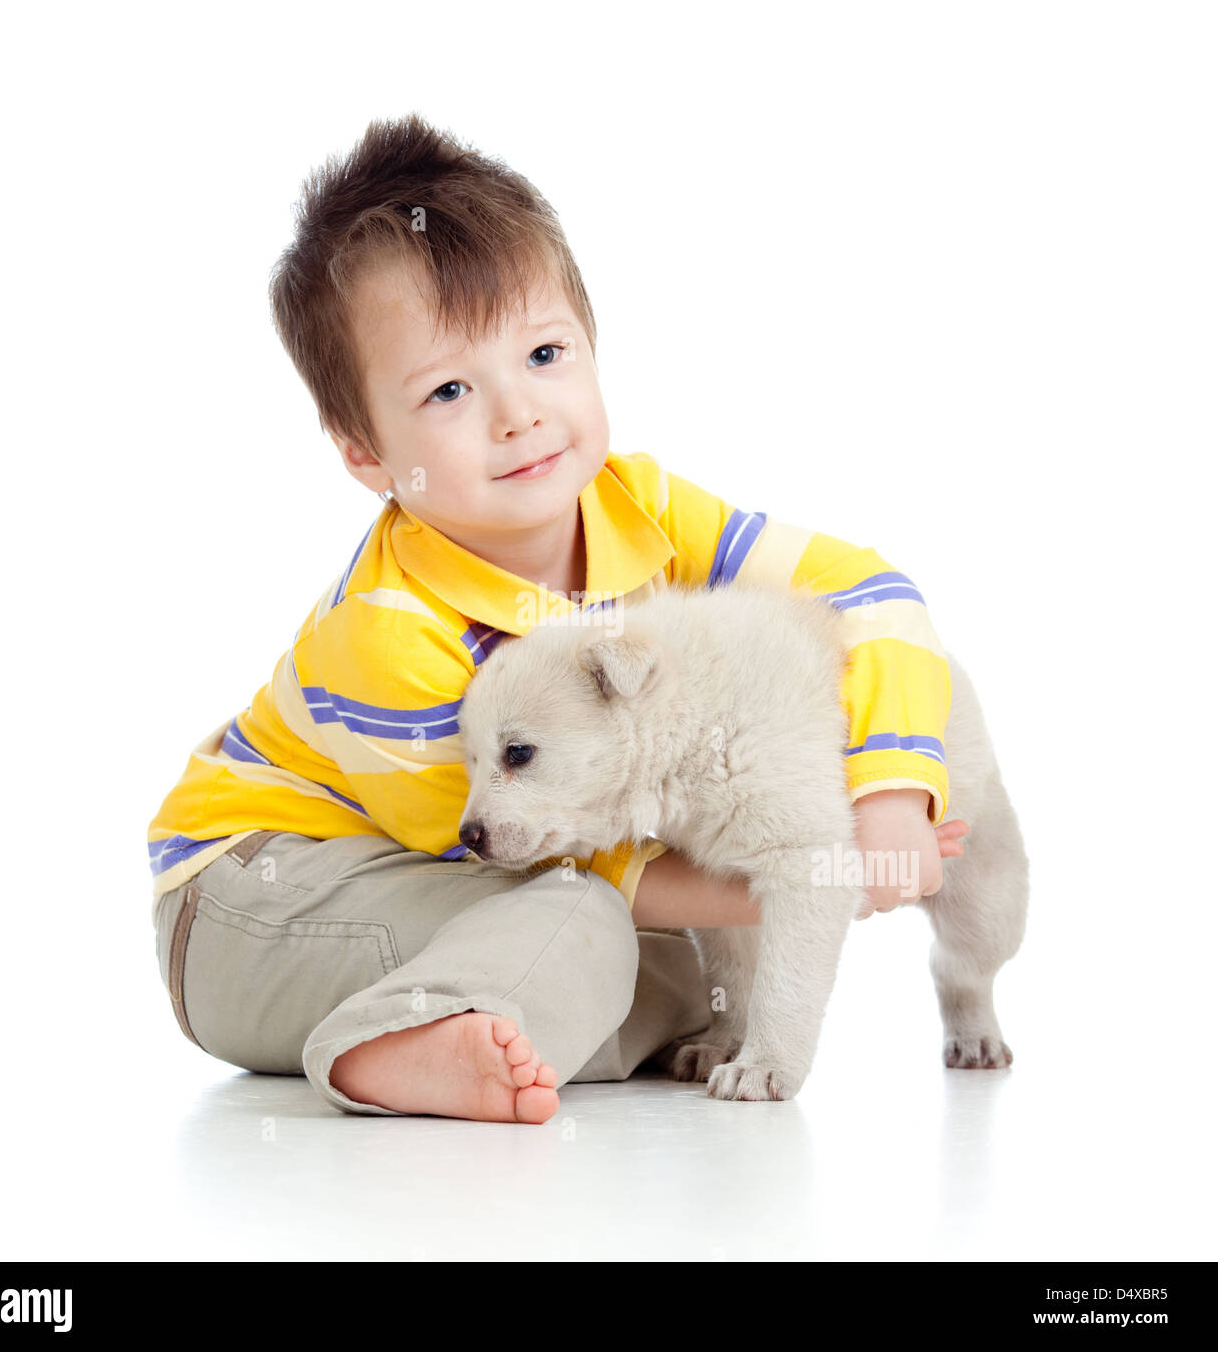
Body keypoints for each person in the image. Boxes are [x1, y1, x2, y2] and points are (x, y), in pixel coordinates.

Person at [149, 113, 969, 1124]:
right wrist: (820, 867)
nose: (518, 412)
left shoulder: (640, 504)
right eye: (449, 388)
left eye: (544, 353)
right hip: (248, 905)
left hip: (444, 890)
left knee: (655, 956)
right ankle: (393, 1042)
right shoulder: (390, 630)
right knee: (590, 916)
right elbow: (551, 857)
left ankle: (480, 1022)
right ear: (366, 452)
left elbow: (867, 592)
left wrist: (891, 792)